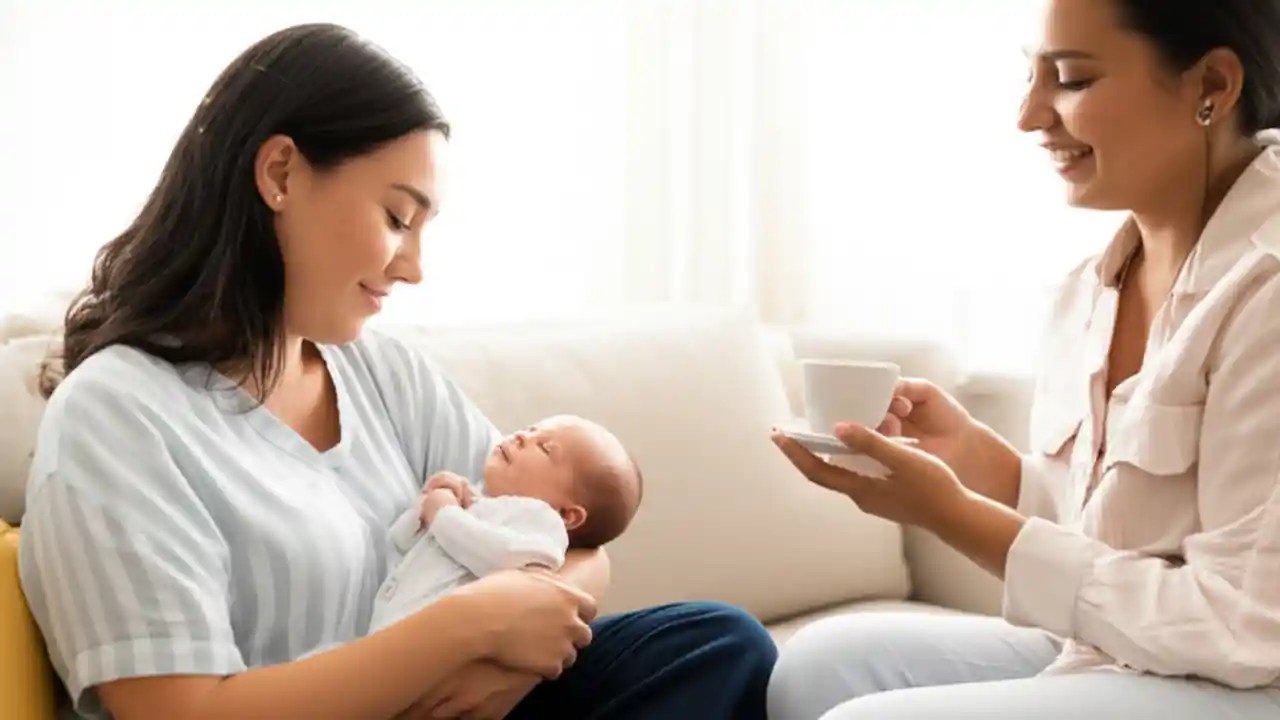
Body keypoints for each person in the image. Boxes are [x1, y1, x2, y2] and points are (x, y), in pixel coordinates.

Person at [17, 23, 774, 720]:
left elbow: (573, 544)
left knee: (719, 644)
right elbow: (180, 711)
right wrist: (463, 628)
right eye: (396, 218)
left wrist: (501, 668)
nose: (411, 267)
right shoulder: (116, 415)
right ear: (280, 173)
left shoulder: (381, 374)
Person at [767, 1, 1280, 718]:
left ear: (1212, 87)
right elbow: (1108, 538)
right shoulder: (1092, 287)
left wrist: (952, 516)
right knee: (819, 669)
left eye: (1071, 79)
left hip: (1252, 681)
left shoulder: (1267, 290)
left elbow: (1247, 628)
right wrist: (978, 462)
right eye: (1032, 76)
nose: (1030, 115)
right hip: (1133, 650)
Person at [370, 415, 643, 632]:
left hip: (442, 654)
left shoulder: (542, 525)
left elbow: (500, 558)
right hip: (389, 634)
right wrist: (425, 505)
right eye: (531, 428)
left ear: (567, 515)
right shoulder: (476, 500)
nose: (523, 436)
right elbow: (399, 541)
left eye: (545, 448)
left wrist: (443, 513)